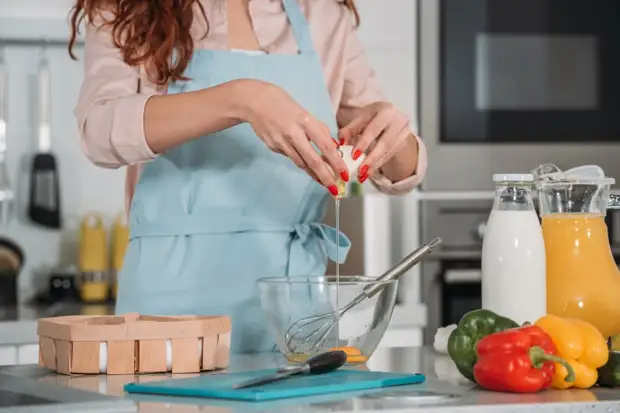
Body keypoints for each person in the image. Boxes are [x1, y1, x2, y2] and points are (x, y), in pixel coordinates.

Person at [70, 0, 428, 353]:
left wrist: (393, 134)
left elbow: (396, 163)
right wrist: (241, 100)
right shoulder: (130, 7)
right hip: (168, 310)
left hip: (293, 307)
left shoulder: (322, 13)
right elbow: (99, 130)